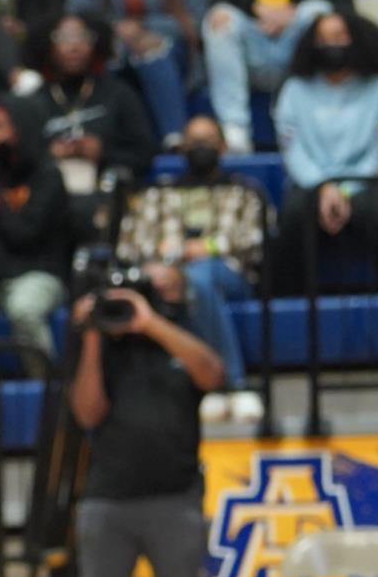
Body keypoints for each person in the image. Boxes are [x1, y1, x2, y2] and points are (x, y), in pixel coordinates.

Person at [67, 266, 229, 577]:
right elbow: (86, 412)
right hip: (107, 500)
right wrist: (94, 335)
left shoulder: (178, 335)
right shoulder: (103, 350)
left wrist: (150, 323)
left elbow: (212, 373)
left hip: (173, 498)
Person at [115, 114, 269, 422]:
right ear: (182, 147)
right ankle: (229, 386)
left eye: (209, 141)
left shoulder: (243, 191)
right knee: (187, 281)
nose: (201, 147)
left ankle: (225, 383)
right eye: (194, 141)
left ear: (224, 147)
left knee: (199, 275)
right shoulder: (156, 193)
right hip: (163, 274)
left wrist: (205, 248)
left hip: (228, 273)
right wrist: (161, 261)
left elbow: (253, 241)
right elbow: (128, 246)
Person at [274, 12, 378, 294]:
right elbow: (292, 149)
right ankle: (292, 302)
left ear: (357, 39)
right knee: (295, 213)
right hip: (313, 183)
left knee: (370, 211)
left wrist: (345, 190)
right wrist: (323, 187)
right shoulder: (294, 90)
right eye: (323, 39)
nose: (331, 45)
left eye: (339, 37)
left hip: (369, 180)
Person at [0, 98, 72, 368]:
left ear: (22, 129)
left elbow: (24, 233)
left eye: (0, 127)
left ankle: (48, 391)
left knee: (23, 309)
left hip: (39, 273)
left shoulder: (48, 177)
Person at [25, 12, 157, 216]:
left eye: (83, 37)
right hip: (48, 206)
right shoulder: (34, 101)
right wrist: (50, 154)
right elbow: (19, 160)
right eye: (64, 38)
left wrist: (102, 152)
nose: (74, 46)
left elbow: (144, 152)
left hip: (106, 199)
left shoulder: (119, 94)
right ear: (48, 45)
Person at [203, 0, 352, 155]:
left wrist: (293, 14)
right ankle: (234, 131)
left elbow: (344, 6)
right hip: (252, 46)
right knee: (220, 17)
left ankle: (315, 121)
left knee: (317, 10)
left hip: (297, 45)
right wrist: (257, 9)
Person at [70, 0, 210, 146]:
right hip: (116, 48)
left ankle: (174, 138)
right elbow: (77, 14)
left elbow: (197, 21)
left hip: (174, 53)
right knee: (112, 59)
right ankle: (106, 141)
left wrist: (143, 28)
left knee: (153, 56)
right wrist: (115, 29)